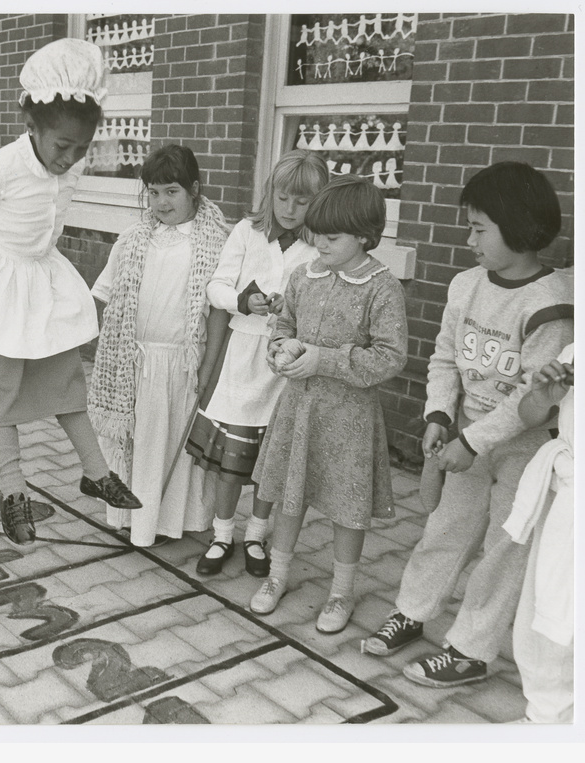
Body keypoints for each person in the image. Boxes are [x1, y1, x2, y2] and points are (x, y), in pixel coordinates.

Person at [0, 38, 142, 545]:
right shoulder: (1, 165)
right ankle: (13, 491)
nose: (71, 158)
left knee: (65, 379)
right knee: (1, 393)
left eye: (81, 149)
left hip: (43, 280)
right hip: (2, 284)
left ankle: (96, 471)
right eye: (62, 146)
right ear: (31, 128)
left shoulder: (73, 162)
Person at [363, 162, 573, 687]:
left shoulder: (552, 305)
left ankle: (471, 649)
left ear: (520, 225)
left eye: (479, 228)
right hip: (464, 434)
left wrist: (473, 442)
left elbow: (536, 399)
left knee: (504, 548)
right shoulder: (465, 285)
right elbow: (445, 358)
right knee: (444, 529)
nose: (469, 239)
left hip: (522, 450)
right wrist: (438, 413)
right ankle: (413, 610)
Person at [246, 175, 408, 635]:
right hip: (299, 410)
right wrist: (280, 352)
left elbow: (390, 356)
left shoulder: (381, 287)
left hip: (349, 418)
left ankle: (341, 591)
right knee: (290, 493)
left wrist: (324, 359)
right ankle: (277, 574)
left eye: (331, 237)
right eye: (315, 235)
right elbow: (283, 325)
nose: (318, 243)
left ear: (364, 235)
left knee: (347, 504)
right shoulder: (303, 276)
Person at [186, 150, 329, 577]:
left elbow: (319, 303)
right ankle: (223, 533)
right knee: (232, 458)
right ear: (270, 193)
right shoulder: (247, 232)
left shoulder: (318, 246)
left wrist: (293, 309)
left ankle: (257, 533)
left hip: (284, 360)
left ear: (318, 203)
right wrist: (242, 301)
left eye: (302, 202)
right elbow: (216, 287)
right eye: (283, 197)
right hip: (241, 355)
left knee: (269, 457)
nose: (290, 209)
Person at [88, 145, 229, 548]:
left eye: (171, 191)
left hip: (180, 362)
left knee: (170, 443)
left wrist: (208, 369)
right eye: (153, 192)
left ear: (194, 190)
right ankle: (129, 515)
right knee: (135, 441)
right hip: (133, 358)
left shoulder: (214, 242)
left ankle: (167, 519)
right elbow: (107, 294)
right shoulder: (134, 239)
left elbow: (220, 312)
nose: (161, 202)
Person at [503, 347, 574, 723]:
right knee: (544, 607)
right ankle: (546, 715)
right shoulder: (575, 352)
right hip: (565, 494)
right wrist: (543, 397)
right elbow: (530, 415)